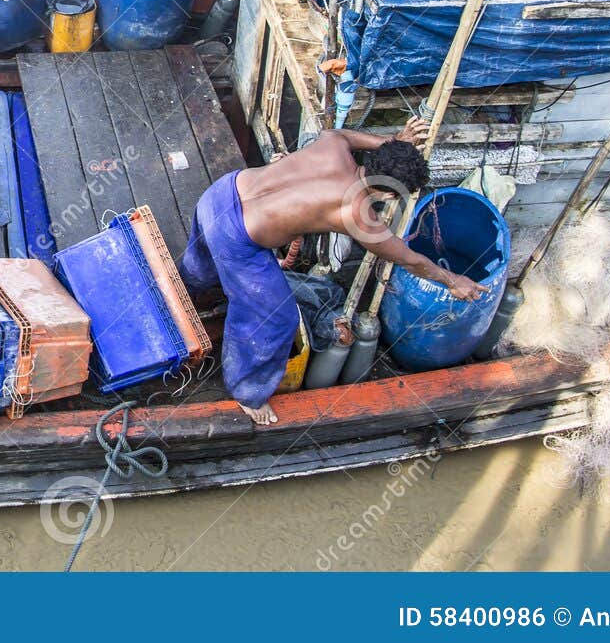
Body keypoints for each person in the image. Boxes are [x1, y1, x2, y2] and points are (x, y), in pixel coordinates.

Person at [179, 116, 483, 427]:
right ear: (391, 194)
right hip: (236, 238)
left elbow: (338, 133)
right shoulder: (357, 215)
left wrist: (394, 139)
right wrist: (452, 280)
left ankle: (181, 292)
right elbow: (409, 259)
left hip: (220, 194)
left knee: (201, 263)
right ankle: (247, 392)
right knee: (276, 317)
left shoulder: (333, 146)